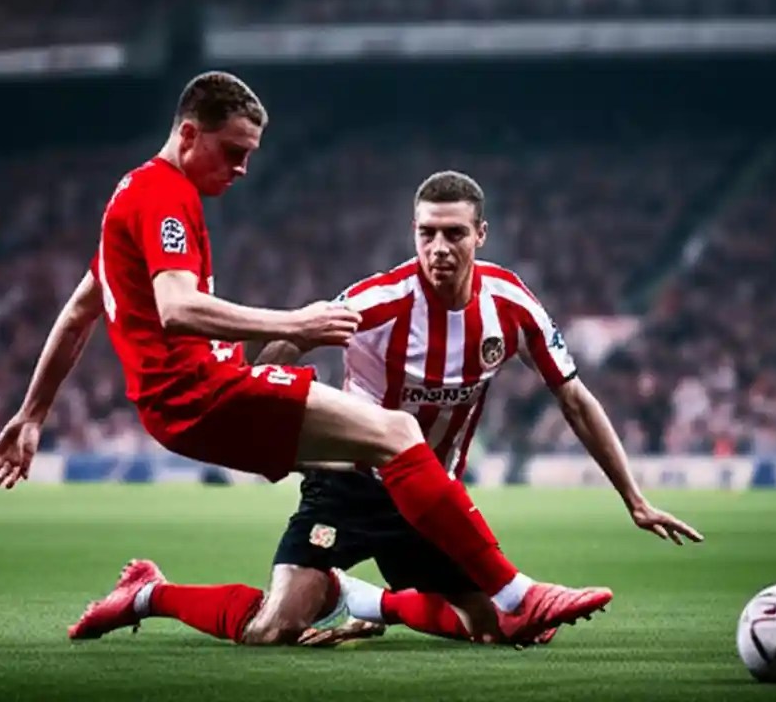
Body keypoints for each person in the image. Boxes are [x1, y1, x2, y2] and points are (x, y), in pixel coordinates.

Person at [0, 72, 648, 646]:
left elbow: (79, 311)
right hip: (203, 390)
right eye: (234, 151)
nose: (242, 168)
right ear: (189, 133)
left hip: (189, 401)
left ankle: (188, 595)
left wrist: (32, 414)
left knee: (296, 605)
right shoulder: (163, 195)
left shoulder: (128, 198)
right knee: (396, 432)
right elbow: (177, 308)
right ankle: (517, 591)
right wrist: (293, 321)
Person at [70, 170, 704, 648]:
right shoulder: (380, 300)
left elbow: (574, 398)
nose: (439, 248)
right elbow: (291, 340)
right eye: (427, 233)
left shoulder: (512, 307)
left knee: (498, 634)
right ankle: (149, 593)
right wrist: (258, 405)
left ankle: (366, 601)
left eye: (454, 233)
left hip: (433, 498)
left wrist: (634, 498)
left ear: (480, 235)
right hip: (347, 490)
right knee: (272, 631)